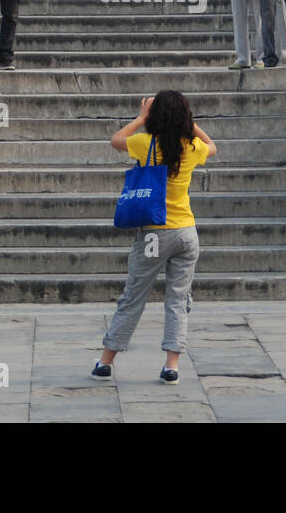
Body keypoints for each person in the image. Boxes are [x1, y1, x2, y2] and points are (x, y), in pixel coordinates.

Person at [91, 91, 217, 386]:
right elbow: (214, 145)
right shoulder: (192, 147)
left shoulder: (144, 143)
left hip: (154, 234)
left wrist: (141, 118)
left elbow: (115, 140)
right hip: (186, 233)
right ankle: (171, 366)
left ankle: (105, 362)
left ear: (155, 116)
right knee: (178, 299)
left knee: (133, 298)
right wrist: (190, 124)